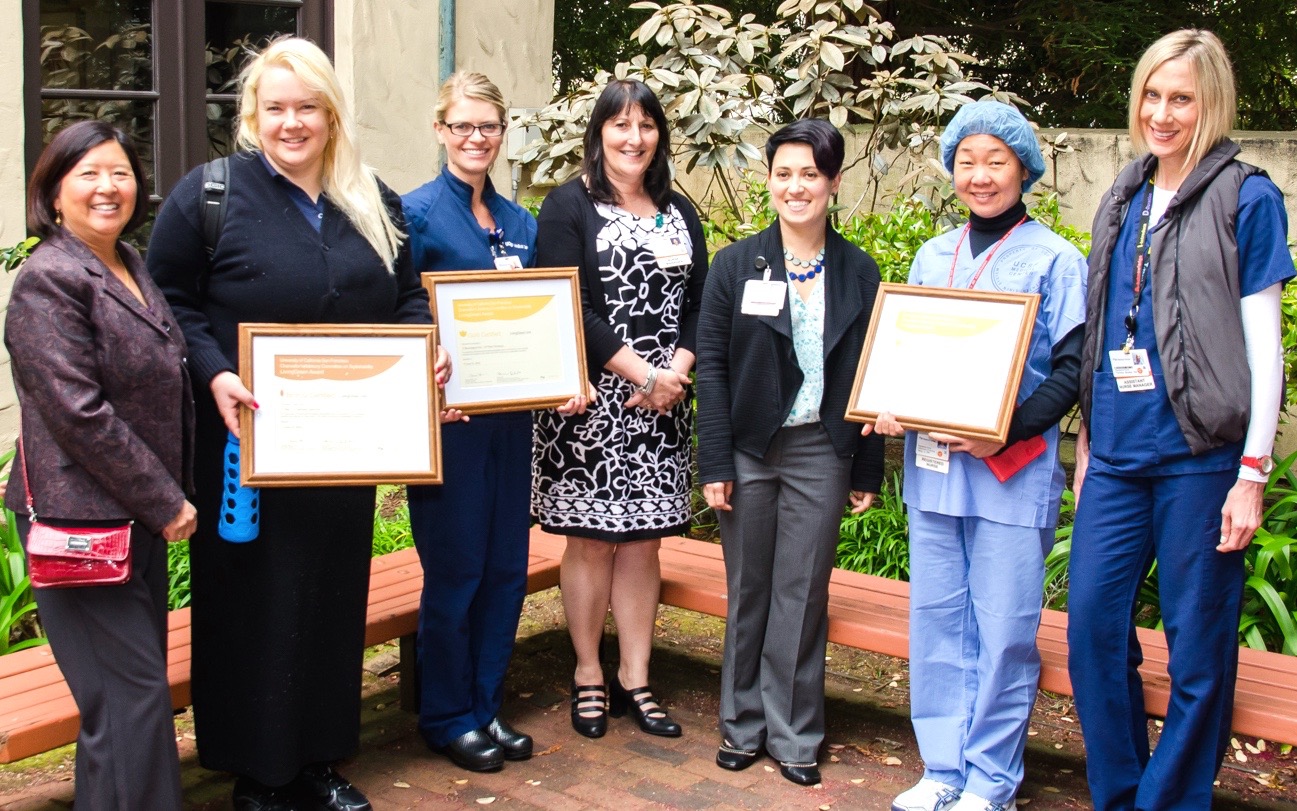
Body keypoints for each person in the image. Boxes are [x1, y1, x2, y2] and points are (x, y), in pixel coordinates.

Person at [147, 37, 443, 811]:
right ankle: (257, 770)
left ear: (331, 113)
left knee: (330, 598)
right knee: (251, 601)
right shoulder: (209, 195)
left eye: (306, 106)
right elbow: (166, 297)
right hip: (246, 443)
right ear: (252, 114)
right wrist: (213, 369)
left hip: (344, 446)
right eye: (274, 107)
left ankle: (316, 756)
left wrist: (426, 356)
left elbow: (407, 297)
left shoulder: (371, 198)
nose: (290, 122)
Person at [1067, 30, 1291, 810]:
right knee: (1091, 627)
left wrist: (1250, 475)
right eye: (1151, 96)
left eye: (1180, 99)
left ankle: (1169, 801)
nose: (1161, 114)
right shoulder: (1122, 192)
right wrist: (1089, 443)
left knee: (1197, 651)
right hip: (1118, 459)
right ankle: (1121, 792)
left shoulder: (1247, 196)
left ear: (1210, 103)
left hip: (1202, 461)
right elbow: (1104, 331)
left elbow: (1266, 353)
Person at [868, 101, 1087, 811]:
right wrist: (892, 401)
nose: (980, 174)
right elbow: (904, 349)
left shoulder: (1056, 258)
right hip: (935, 468)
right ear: (950, 167)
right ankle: (941, 767)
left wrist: (1009, 430)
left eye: (996, 160)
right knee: (935, 616)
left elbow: (1071, 368)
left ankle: (989, 778)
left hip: (1011, 470)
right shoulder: (933, 254)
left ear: (1024, 167)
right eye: (966, 160)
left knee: (1003, 628)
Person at [4, 120, 198, 809]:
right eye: (86, 174)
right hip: (81, 522)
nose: (107, 187)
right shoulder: (48, 280)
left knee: (122, 708)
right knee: (134, 699)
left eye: (119, 172)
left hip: (132, 520)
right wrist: (166, 500)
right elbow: (78, 412)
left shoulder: (125, 262)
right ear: (54, 193)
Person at [401, 71, 587, 773]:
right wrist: (426, 370)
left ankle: (483, 704)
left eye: (488, 126)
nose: (475, 138)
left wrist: (564, 374)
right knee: (456, 572)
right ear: (440, 129)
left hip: (512, 424)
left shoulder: (520, 222)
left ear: (503, 133)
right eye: (462, 125)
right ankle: (446, 715)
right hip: (450, 423)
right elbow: (399, 310)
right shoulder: (413, 214)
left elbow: (542, 313)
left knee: (507, 567)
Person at [696, 119, 884, 787]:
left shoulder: (859, 270)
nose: (794, 186)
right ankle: (741, 725)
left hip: (819, 451)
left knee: (802, 595)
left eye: (809, 173)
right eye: (783, 173)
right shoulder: (733, 264)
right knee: (748, 590)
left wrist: (865, 467)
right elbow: (711, 368)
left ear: (832, 182)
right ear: (768, 179)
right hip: (748, 450)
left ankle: (794, 732)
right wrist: (714, 461)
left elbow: (867, 374)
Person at [531, 79, 707, 740]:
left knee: (642, 542)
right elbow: (568, 303)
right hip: (589, 406)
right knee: (592, 540)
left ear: (659, 135)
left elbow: (699, 303)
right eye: (619, 125)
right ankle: (587, 672)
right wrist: (643, 373)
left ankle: (636, 674)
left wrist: (674, 376)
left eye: (645, 125)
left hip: (663, 409)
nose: (633, 138)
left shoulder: (678, 211)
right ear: (598, 132)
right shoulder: (568, 205)